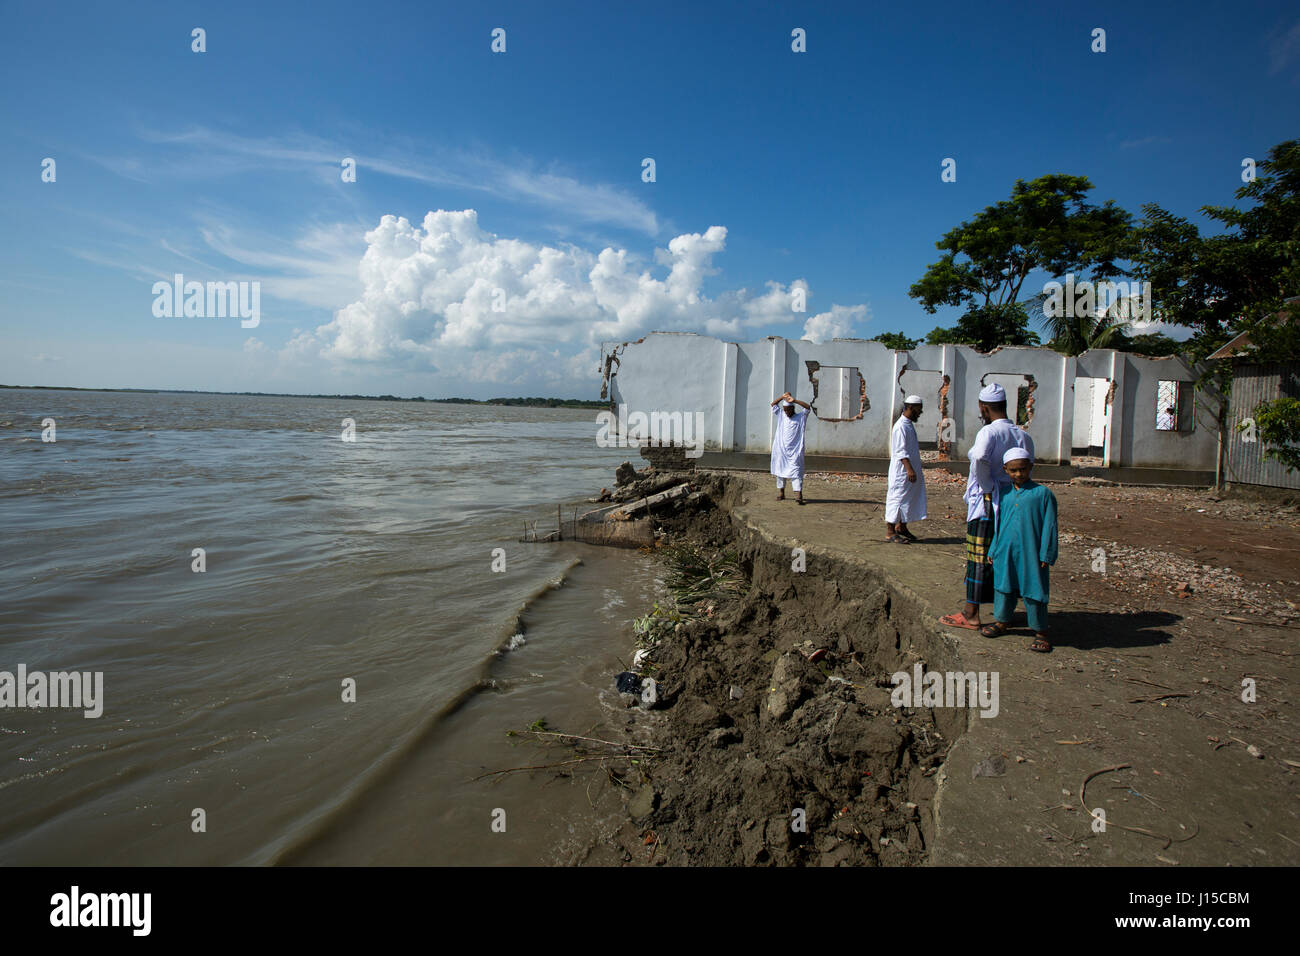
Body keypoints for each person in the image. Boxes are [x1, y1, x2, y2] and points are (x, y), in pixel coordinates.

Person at [941, 382, 1033, 630]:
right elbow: (1028, 466)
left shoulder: (989, 433)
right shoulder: (1021, 435)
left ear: (984, 407)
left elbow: (980, 456)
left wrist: (987, 484)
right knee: (1005, 557)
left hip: (987, 503)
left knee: (978, 557)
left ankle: (971, 613)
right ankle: (1006, 610)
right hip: (1013, 503)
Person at [982, 447, 1058, 653]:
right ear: (1005, 470)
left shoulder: (1042, 494)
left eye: (1023, 469)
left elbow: (1050, 526)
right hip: (1005, 549)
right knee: (1003, 585)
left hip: (1032, 551)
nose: (1018, 474)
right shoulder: (1004, 494)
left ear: (1031, 467)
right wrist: (994, 548)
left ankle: (1041, 631)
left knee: (1035, 589)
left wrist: (1047, 553)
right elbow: (999, 523)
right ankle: (1002, 621)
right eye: (1013, 470)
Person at [885, 395, 927, 542]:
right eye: (918, 410)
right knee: (897, 498)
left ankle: (902, 527)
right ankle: (890, 531)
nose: (920, 413)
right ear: (910, 408)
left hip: (909, 470)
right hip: (902, 471)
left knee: (908, 498)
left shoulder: (908, 424)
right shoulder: (900, 426)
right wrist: (909, 469)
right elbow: (900, 450)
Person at [770, 391, 811, 504]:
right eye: (785, 410)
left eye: (788, 410)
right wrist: (782, 397)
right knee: (780, 471)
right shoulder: (782, 415)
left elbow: (808, 407)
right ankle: (781, 493)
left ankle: (799, 495)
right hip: (781, 450)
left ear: (793, 409)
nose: (786, 412)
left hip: (795, 451)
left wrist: (795, 401)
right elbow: (773, 404)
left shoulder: (800, 417)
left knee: (796, 472)